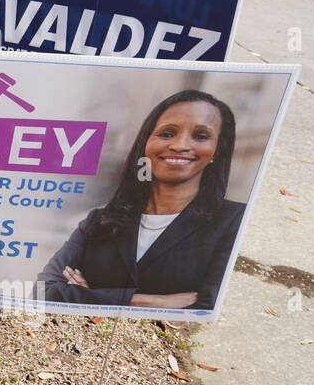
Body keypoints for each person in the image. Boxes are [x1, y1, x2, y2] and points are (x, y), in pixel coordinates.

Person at [39, 89, 244, 311]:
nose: (180, 145)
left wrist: (89, 295)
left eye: (201, 136)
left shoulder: (234, 221)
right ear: (145, 142)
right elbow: (44, 290)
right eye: (167, 133)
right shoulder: (99, 222)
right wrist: (150, 301)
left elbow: (208, 305)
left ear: (217, 149)